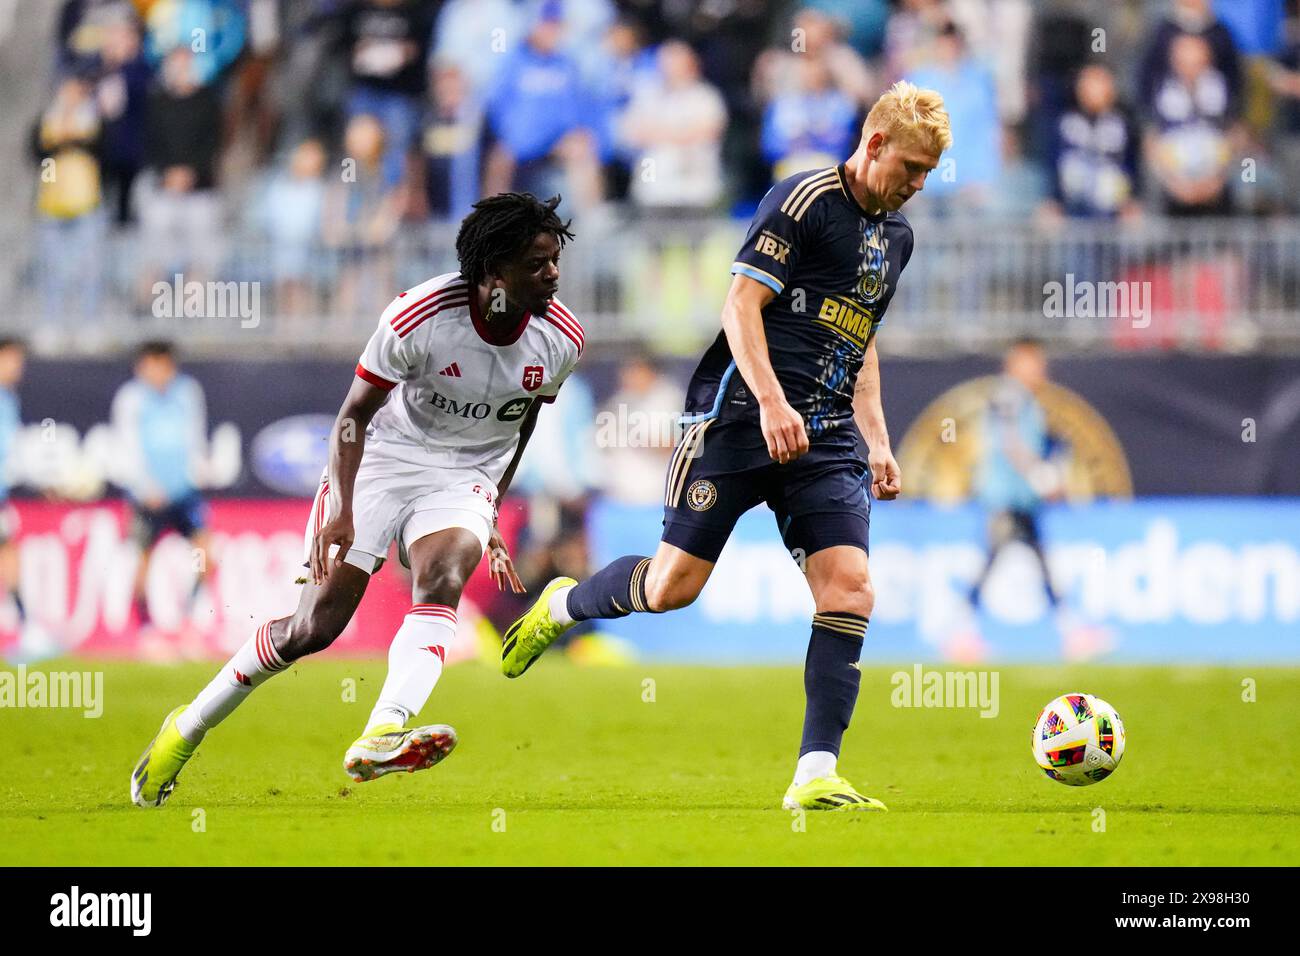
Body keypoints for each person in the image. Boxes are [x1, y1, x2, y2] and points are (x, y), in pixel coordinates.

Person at [503, 82, 952, 812]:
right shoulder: (803, 201)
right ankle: (565, 604)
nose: (919, 185)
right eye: (911, 167)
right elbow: (740, 305)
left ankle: (815, 775)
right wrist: (772, 403)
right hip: (739, 418)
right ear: (874, 145)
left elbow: (861, 341)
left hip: (828, 434)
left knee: (851, 590)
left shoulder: (896, 238)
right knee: (671, 588)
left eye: (929, 173)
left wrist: (877, 440)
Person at [131, 193, 583, 808]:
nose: (553, 275)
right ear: (493, 272)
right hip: (382, 461)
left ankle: (381, 731)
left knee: (445, 572)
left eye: (555, 260)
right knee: (310, 630)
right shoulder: (417, 317)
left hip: (465, 472)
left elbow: (522, 420)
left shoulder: (561, 341)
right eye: (538, 264)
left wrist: (490, 504)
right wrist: (340, 507)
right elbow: (352, 416)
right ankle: (186, 729)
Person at [111, 342, 212, 634]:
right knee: (142, 559)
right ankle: (145, 626)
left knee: (205, 553)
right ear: (141, 367)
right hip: (148, 497)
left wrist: (198, 471)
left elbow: (195, 435)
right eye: (152, 365)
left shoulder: (187, 392)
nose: (158, 372)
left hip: (184, 493)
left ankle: (188, 619)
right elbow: (126, 445)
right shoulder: (131, 398)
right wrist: (145, 486)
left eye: (163, 365)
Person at [0, 339, 27, 637]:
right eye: (12, 360)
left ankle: (21, 619)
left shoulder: (8, 399)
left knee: (8, 550)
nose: (18, 367)